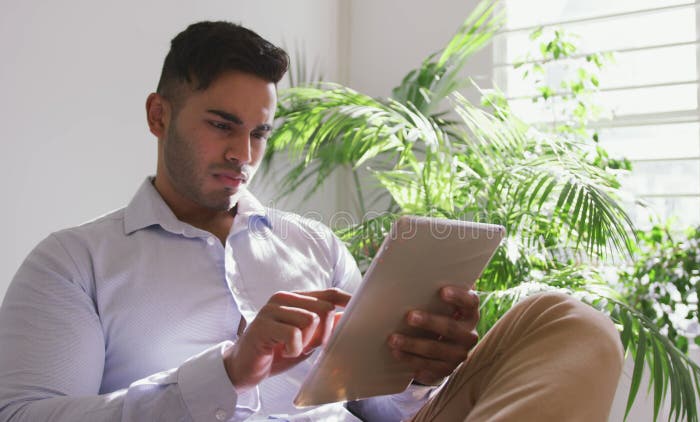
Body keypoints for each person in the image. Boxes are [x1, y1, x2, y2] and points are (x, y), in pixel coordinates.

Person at [0, 21, 623, 421]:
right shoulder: (74, 262)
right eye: (221, 125)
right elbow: (26, 415)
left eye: (259, 132)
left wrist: (414, 369)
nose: (243, 154)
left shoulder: (313, 246)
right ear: (159, 115)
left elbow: (383, 409)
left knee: (569, 322)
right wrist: (226, 372)